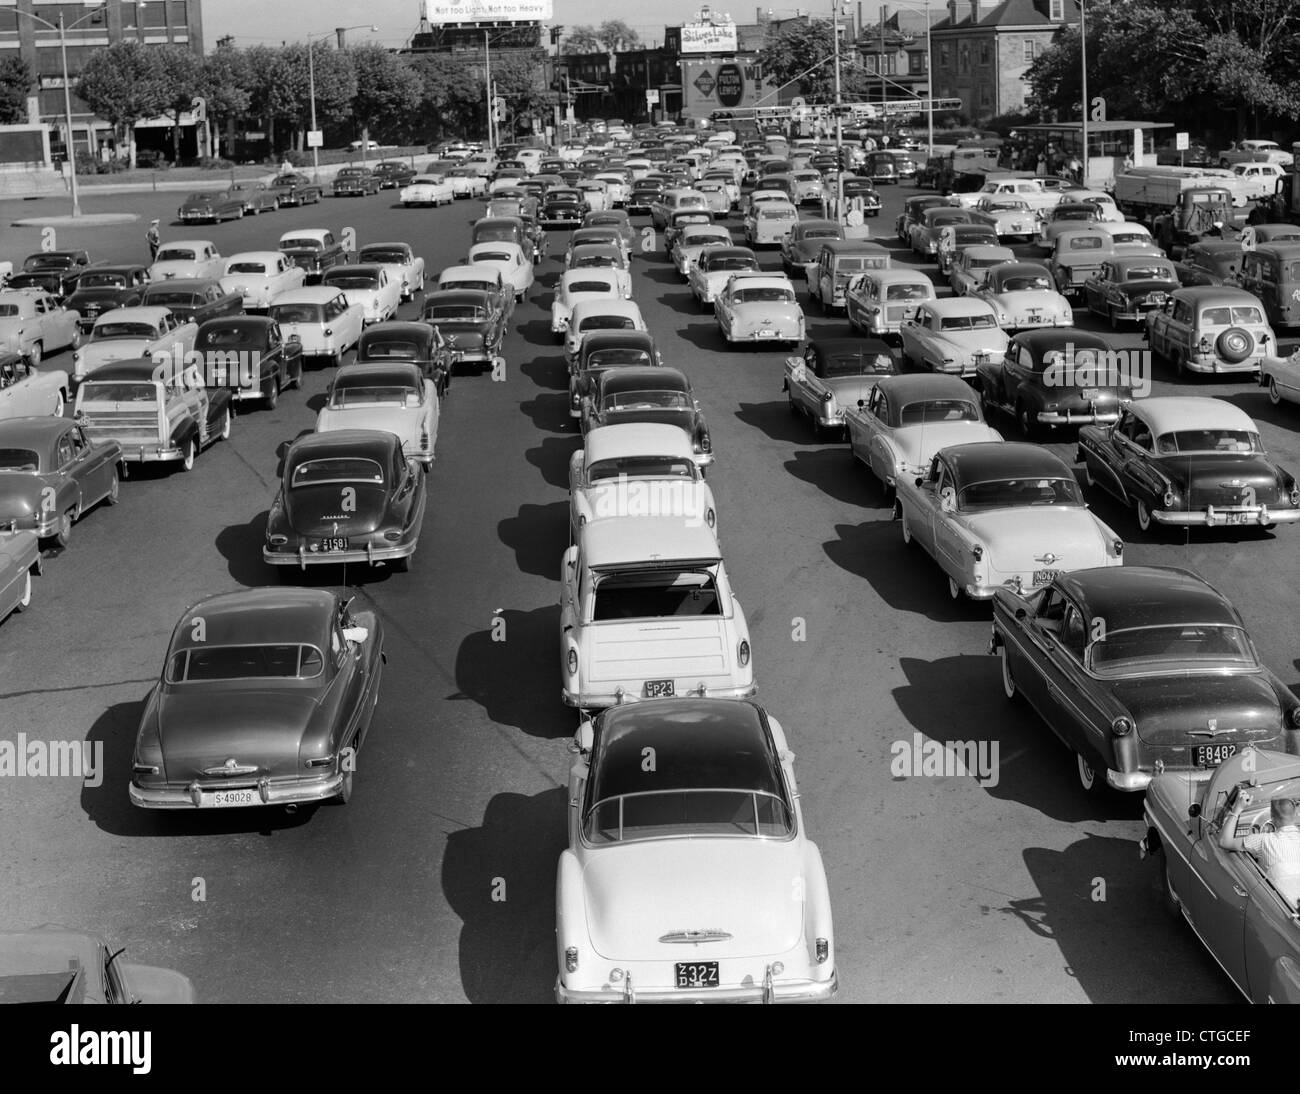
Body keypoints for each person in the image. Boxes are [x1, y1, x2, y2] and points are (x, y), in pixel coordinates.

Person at [1219, 793, 1300, 901]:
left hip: (1276, 904)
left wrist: (1237, 809)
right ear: (1296, 814)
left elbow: (1224, 841)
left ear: (1272, 818)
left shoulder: (1263, 840)